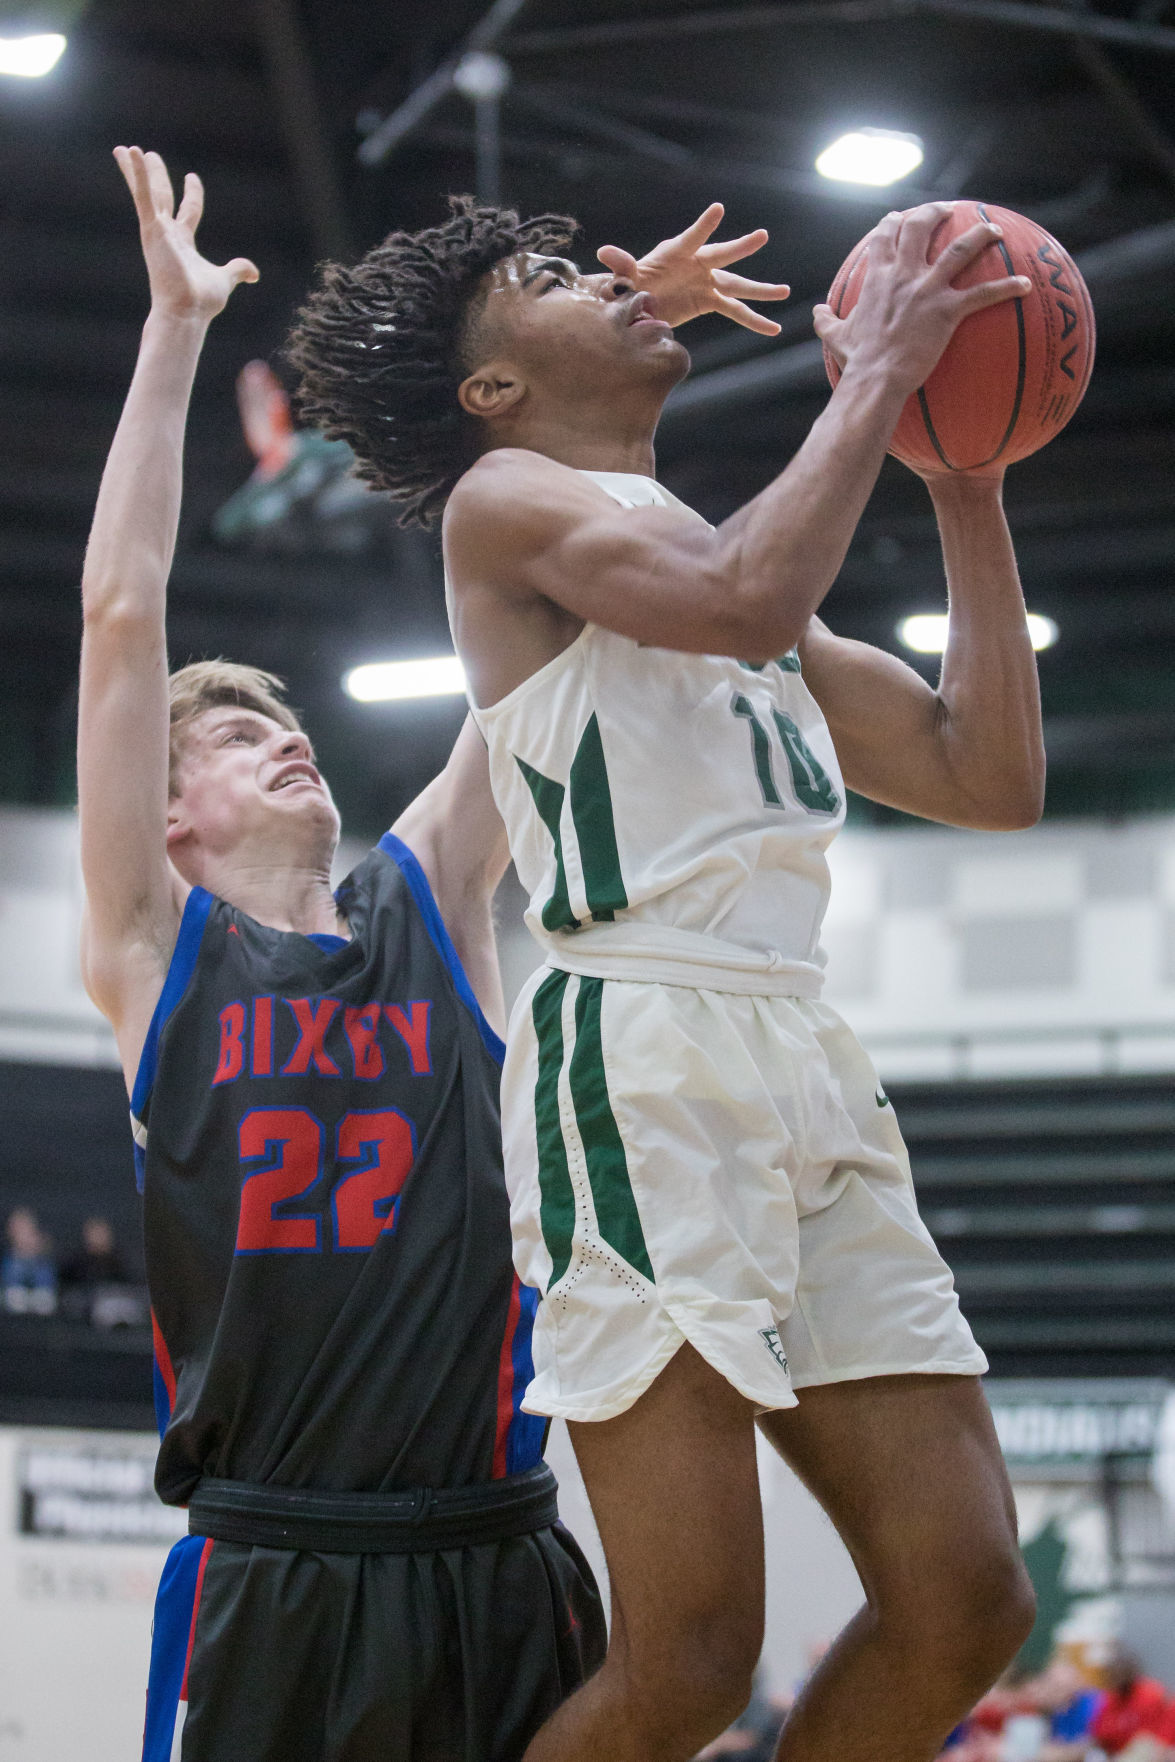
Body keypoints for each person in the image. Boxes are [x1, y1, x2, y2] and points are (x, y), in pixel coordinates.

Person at [288, 193, 1043, 1762]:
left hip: (802, 1048)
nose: (607, 281)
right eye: (553, 280)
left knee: (964, 1600)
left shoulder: (730, 565)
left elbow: (983, 773)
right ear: (492, 386)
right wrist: (873, 377)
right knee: (693, 1657)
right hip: (635, 1052)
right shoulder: (503, 501)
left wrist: (959, 477)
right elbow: (734, 591)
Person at [79, 146, 606, 1762]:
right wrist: (175, 331)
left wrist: (573, 392)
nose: (284, 737)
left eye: (285, 721)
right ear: (172, 815)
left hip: (493, 1542)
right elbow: (123, 615)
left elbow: (533, 645)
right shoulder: (155, 953)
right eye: (236, 736)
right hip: (277, 1560)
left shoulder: (426, 896)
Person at [1, 1206, 58, 1315]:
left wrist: (35, 1249)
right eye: (16, 1229)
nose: (20, 1233)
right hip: (13, 1294)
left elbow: (48, 1278)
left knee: (43, 1299)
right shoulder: (6, 1253)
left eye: (23, 1228)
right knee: (15, 1297)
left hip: (41, 1293)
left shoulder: (44, 1253)